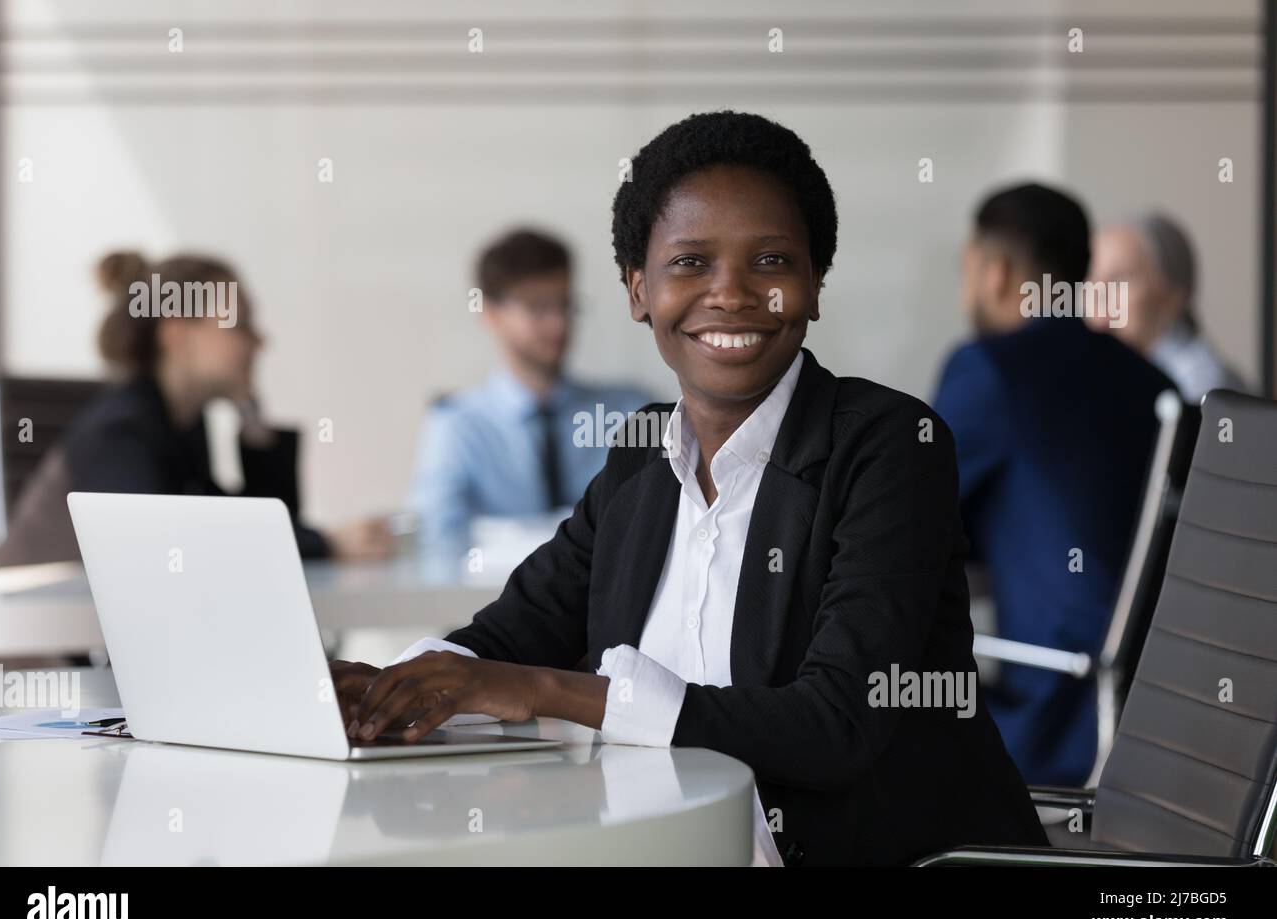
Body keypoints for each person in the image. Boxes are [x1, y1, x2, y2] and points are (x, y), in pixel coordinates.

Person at [332, 111, 1046, 866]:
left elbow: (836, 725)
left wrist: (548, 690)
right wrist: (386, 688)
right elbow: (510, 635)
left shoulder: (890, 445)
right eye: (690, 263)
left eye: (771, 261)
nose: (732, 293)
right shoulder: (641, 456)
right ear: (638, 290)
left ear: (813, 285)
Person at [933, 184, 1176, 786]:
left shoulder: (989, 371)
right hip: (1157, 712)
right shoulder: (1148, 380)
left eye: (967, 272)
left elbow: (901, 517)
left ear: (996, 272)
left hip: (1052, 718)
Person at [0, 252, 390, 569]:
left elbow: (245, 528)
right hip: (29, 658)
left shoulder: (179, 426)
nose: (259, 342)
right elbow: (177, 544)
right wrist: (326, 544)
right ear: (177, 335)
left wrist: (254, 427)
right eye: (239, 325)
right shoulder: (118, 431)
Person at [407, 229, 650, 574]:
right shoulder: (457, 424)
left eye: (564, 304)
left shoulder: (630, 411)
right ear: (490, 314)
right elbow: (436, 541)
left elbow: (656, 521)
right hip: (492, 611)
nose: (558, 323)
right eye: (538, 308)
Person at [1087, 212, 1247, 402]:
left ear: (1174, 294)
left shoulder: (1205, 389)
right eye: (1093, 279)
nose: (1099, 295)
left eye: (1120, 279)